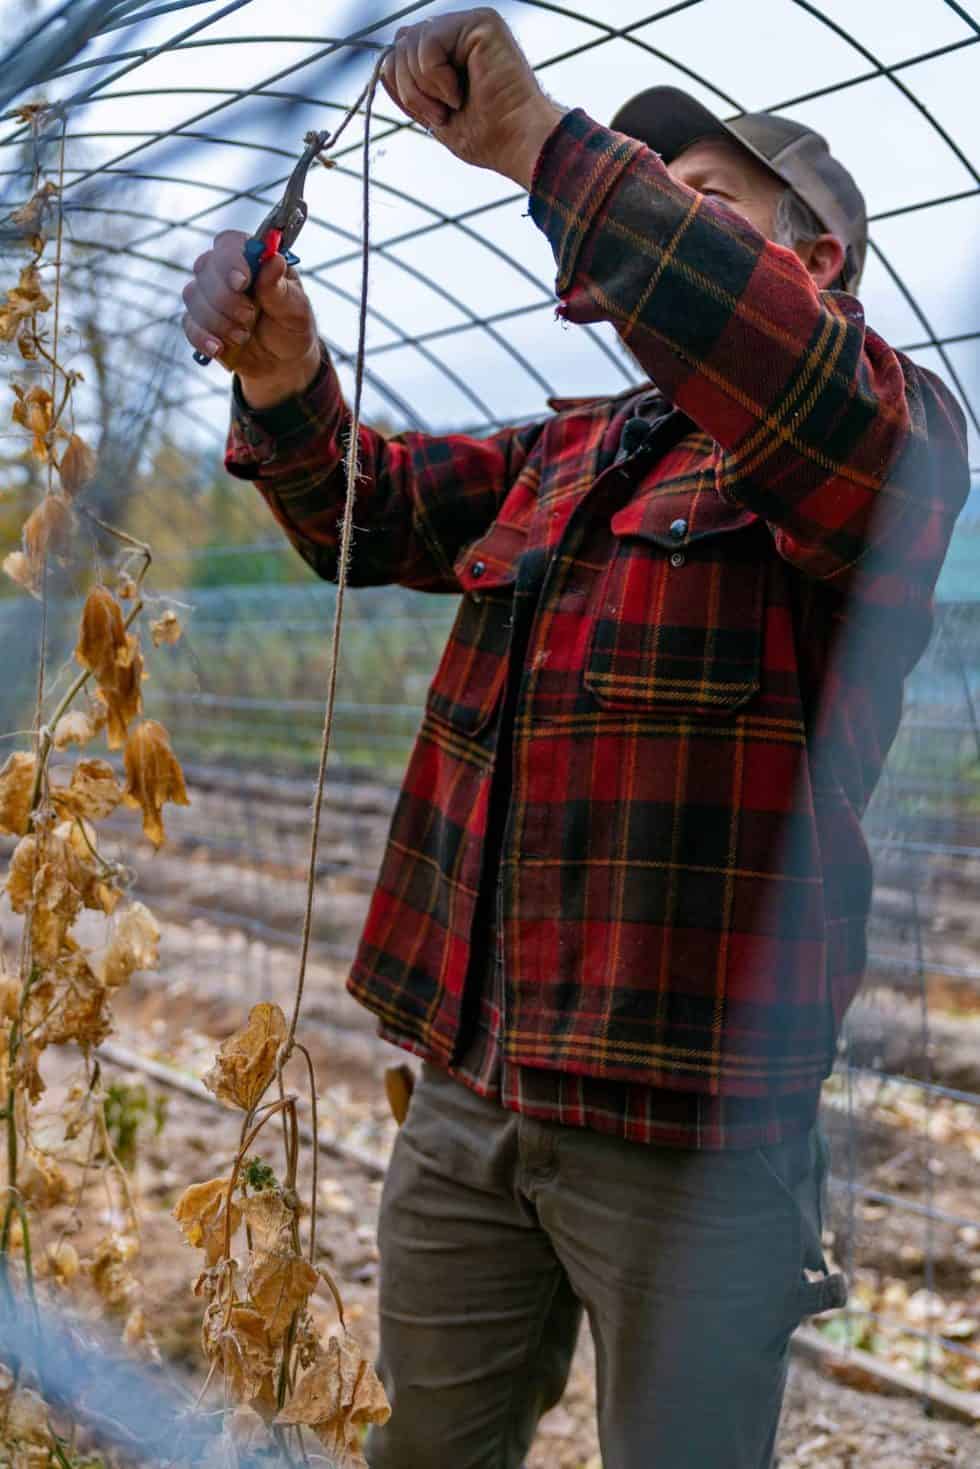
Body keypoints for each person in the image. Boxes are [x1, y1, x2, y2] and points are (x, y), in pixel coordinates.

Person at [181, 10, 970, 1467]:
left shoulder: (887, 437)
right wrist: (284, 376)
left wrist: (543, 145)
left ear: (812, 262)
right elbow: (368, 512)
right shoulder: (572, 448)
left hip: (690, 1135)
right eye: (642, 188)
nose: (646, 209)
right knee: (431, 1444)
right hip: (471, 1088)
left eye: (695, 198)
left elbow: (779, 365)